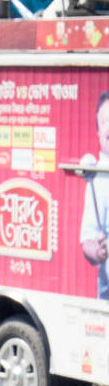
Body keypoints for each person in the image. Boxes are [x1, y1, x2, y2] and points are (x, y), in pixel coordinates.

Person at [79, 90, 109, 298]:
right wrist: (97, 254)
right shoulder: (96, 180)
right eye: (105, 121)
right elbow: (87, 242)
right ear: (98, 133)